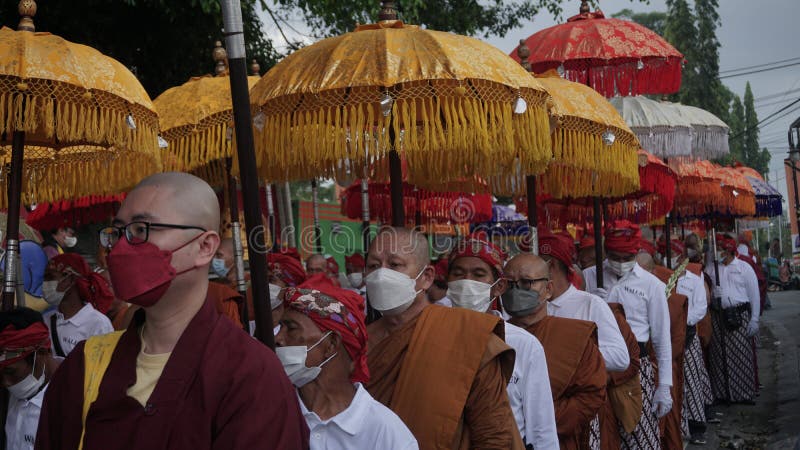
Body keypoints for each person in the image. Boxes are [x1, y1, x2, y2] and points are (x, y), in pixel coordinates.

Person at [35, 172, 308, 449]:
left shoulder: (251, 374)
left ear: (204, 247)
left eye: (141, 229)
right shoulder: (85, 363)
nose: (120, 247)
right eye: (117, 232)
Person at [364, 226, 522, 449]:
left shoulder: (467, 335)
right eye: (372, 266)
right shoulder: (358, 341)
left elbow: (494, 435)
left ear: (426, 277)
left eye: (395, 265)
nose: (381, 274)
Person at [275, 274, 418, 450]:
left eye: (291, 328)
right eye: (280, 327)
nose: (278, 338)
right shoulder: (273, 413)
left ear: (331, 344)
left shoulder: (385, 433)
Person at [446, 234, 558, 449]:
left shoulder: (524, 344)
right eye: (458, 273)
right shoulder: (433, 333)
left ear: (498, 287)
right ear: (448, 282)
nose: (467, 281)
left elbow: (541, 427)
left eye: (478, 274)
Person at [504, 253, 607, 450]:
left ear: (548, 289)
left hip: (560, 438)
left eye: (527, 283)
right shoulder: (496, 335)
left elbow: (591, 393)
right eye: (510, 284)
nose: (516, 290)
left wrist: (542, 421)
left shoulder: (574, 336)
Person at [604, 221, 672, 449]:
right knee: (605, 432)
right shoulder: (591, 276)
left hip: (636, 367)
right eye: (615, 257)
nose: (621, 263)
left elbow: (662, 340)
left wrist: (664, 386)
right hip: (600, 365)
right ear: (605, 252)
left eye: (627, 258)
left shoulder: (651, 285)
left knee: (639, 435)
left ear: (636, 253)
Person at [665, 240, 713, 445]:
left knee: (692, 379)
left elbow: (700, 307)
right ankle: (677, 427)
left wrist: (683, 322)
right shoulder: (663, 281)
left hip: (689, 335)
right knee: (673, 381)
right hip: (668, 337)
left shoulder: (694, 281)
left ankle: (696, 426)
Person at [706, 234, 760, 403]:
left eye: (721, 250)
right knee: (719, 356)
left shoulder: (744, 268)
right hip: (718, 315)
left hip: (739, 314)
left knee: (740, 354)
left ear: (729, 251)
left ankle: (743, 393)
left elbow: (754, 294)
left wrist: (754, 319)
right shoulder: (711, 269)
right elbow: (705, 292)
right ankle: (722, 394)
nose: (718, 253)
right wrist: (714, 295)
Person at [0, 308, 61, 450]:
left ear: (41, 352)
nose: (6, 383)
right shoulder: (9, 396)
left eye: (10, 372)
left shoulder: (72, 401)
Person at [41, 254, 114, 357]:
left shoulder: (99, 324)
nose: (45, 283)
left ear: (70, 279)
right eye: (44, 278)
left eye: (50, 277)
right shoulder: (45, 319)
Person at [266, 252, 308, 335]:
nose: (266, 285)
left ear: (289, 287)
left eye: (271, 280)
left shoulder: (297, 327)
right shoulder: (251, 319)